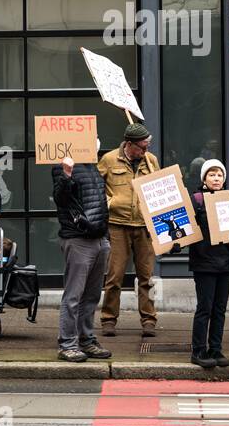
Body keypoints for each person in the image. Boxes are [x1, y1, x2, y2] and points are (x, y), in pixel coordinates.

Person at [97, 123, 162, 337]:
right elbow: (96, 187)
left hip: (144, 226)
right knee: (114, 276)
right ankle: (108, 319)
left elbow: (160, 190)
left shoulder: (151, 161)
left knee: (146, 277)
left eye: (147, 145)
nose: (145, 150)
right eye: (142, 146)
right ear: (129, 144)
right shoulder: (109, 160)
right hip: (118, 225)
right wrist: (110, 202)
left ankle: (149, 319)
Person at [52, 155, 112, 363]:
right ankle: (68, 344)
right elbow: (60, 199)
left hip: (99, 238)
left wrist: (105, 236)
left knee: (92, 295)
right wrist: (66, 175)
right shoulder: (62, 166)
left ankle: (86, 340)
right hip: (78, 238)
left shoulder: (92, 166)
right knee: (74, 296)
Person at [189, 159, 229, 369]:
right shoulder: (196, 201)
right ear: (204, 179)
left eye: (220, 175)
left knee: (219, 309)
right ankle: (198, 350)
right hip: (203, 262)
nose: (216, 178)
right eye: (212, 175)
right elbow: (187, 230)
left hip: (224, 263)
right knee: (205, 308)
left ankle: (216, 348)